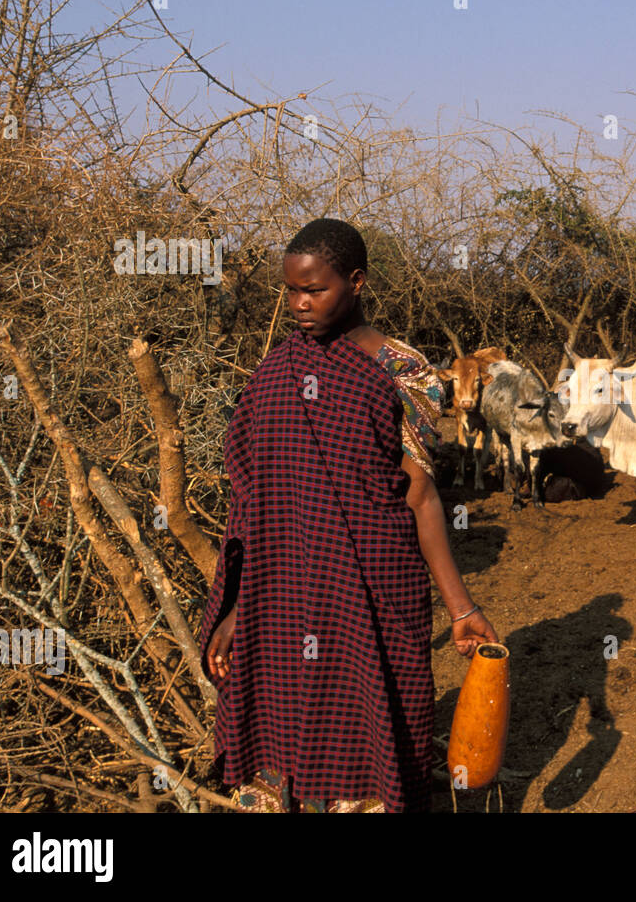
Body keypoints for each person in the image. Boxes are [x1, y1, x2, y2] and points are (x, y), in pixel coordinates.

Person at [198, 218, 497, 812]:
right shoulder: (274, 374)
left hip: (374, 585)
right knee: (281, 729)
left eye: (315, 290)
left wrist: (461, 608)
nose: (299, 305)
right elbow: (250, 501)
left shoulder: (401, 372)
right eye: (290, 291)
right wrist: (234, 606)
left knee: (378, 722)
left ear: (356, 282)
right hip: (280, 592)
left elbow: (419, 494)